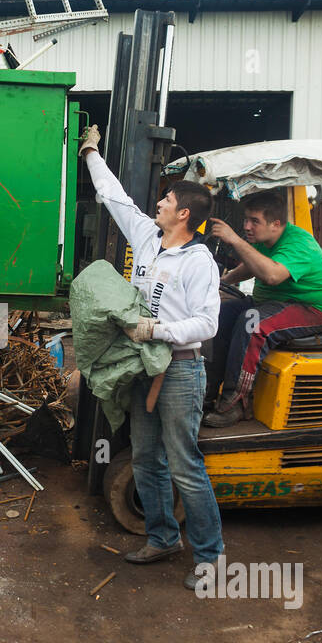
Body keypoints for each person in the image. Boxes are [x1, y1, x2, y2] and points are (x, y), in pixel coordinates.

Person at [78, 126, 224, 591]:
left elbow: (207, 323)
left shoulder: (199, 262)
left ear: (183, 213)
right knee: (145, 458)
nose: (156, 204)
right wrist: (90, 154)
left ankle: (211, 556)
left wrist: (156, 330)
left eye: (164, 201)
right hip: (143, 367)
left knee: (184, 463)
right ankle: (163, 538)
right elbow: (115, 197)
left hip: (180, 369)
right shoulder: (146, 239)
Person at [204, 189, 322, 427]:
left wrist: (234, 240)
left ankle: (236, 403)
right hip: (275, 304)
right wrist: (222, 283)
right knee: (220, 315)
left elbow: (271, 275)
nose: (247, 226)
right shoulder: (264, 240)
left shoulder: (299, 243)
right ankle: (206, 394)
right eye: (246, 219)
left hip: (314, 309)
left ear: (276, 224)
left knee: (253, 324)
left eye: (254, 221)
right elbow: (251, 265)